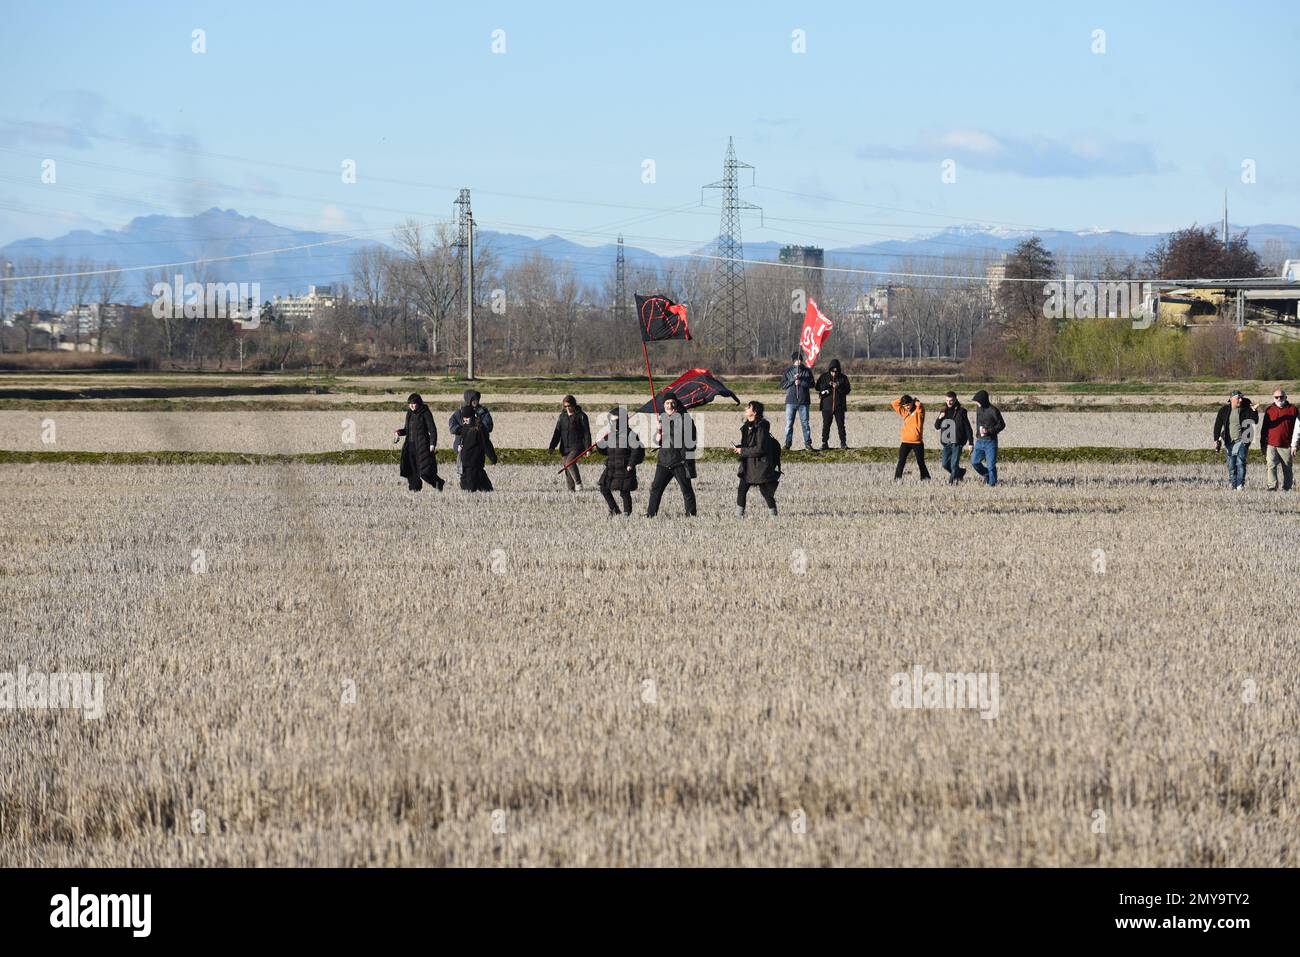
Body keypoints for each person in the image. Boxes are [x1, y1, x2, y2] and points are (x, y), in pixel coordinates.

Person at [646, 392, 698, 518]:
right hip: (663, 461)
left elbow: (692, 440)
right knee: (655, 490)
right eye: (667, 403)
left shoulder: (685, 419)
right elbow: (656, 440)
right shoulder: (662, 418)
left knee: (686, 490)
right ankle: (650, 514)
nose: (670, 405)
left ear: (676, 403)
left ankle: (691, 514)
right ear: (663, 405)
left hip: (679, 462)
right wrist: (659, 431)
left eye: (672, 403)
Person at [732, 400, 780, 518]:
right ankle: (738, 517)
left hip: (760, 466)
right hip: (748, 465)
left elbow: (760, 449)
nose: (745, 409)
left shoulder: (761, 428)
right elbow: (749, 445)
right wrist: (739, 448)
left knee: (766, 492)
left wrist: (742, 451)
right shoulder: (746, 427)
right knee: (742, 490)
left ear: (754, 412)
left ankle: (774, 517)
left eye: (748, 407)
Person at [596, 405, 645, 516]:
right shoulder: (610, 435)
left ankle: (627, 513)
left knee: (624, 492)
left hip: (625, 466)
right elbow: (605, 452)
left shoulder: (631, 435)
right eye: (611, 421)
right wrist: (600, 445)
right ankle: (614, 509)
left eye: (615, 421)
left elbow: (636, 451)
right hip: (611, 466)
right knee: (604, 488)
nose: (612, 423)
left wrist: (631, 464)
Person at [395, 393, 444, 492]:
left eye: (414, 404)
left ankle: (438, 483)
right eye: (410, 404)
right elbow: (407, 430)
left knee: (424, 471)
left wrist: (432, 444)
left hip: (422, 446)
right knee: (411, 470)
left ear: (419, 403)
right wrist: (399, 432)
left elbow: (432, 429)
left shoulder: (425, 412)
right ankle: (414, 489)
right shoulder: (409, 413)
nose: (411, 406)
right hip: (409, 446)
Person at [1213, 390, 1257, 491]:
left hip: (1243, 440)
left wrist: (1254, 411)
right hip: (1229, 441)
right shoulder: (1223, 410)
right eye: (1238, 398)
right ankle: (1233, 486)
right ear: (1231, 399)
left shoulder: (1246, 409)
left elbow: (1255, 421)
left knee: (1240, 462)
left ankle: (1240, 485)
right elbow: (1217, 425)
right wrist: (1216, 439)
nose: (1240, 400)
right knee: (1231, 465)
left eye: (1241, 398)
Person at [549, 394, 592, 492]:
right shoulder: (562, 416)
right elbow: (557, 433)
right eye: (565, 406)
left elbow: (586, 433)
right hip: (564, 447)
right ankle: (571, 490)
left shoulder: (581, 416)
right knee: (567, 469)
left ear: (574, 405)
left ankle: (578, 483)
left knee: (569, 463)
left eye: (569, 406)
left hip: (577, 446)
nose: (567, 408)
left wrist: (588, 448)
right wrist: (552, 446)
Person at [450, 388, 494, 477]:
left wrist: (478, 428)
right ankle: (467, 485)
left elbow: (489, 426)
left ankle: (480, 486)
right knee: (463, 468)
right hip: (462, 444)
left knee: (478, 467)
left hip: (478, 444)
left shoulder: (483, 412)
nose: (475, 401)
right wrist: (464, 429)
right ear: (468, 399)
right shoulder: (460, 412)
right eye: (473, 399)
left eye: (477, 399)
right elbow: (452, 427)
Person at [1259, 387, 1296, 491]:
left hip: (1286, 445)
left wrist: (1296, 444)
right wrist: (1262, 443)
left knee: (1287, 468)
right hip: (1271, 444)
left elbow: (1298, 428)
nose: (1279, 399)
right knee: (1270, 466)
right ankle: (1272, 486)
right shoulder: (1269, 410)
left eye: (1281, 397)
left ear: (1286, 397)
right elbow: (1264, 428)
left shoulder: (1293, 409)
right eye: (1276, 397)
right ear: (1273, 398)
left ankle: (1287, 488)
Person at [779, 352, 816, 451]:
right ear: (793, 361)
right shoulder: (788, 371)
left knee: (805, 424)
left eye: (800, 359)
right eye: (796, 360)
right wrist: (792, 380)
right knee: (789, 424)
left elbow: (812, 384)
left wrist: (802, 382)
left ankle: (808, 443)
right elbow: (782, 385)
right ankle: (787, 444)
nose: (798, 362)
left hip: (804, 402)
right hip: (791, 402)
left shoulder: (807, 371)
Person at [934, 390, 973, 483]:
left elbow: (968, 428)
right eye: (947, 400)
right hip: (946, 442)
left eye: (951, 400)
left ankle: (951, 483)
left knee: (954, 465)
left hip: (957, 442)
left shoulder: (962, 411)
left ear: (955, 399)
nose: (949, 402)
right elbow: (936, 426)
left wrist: (971, 443)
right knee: (945, 464)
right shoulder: (943, 411)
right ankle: (960, 473)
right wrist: (939, 418)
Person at [456, 403, 496, 492]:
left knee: (470, 486)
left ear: (472, 416)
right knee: (466, 483)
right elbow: (461, 440)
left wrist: (493, 457)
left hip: (475, 460)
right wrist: (458, 447)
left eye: (467, 418)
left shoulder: (479, 428)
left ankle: (486, 491)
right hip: (465, 461)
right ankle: (487, 490)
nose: (465, 420)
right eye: (464, 418)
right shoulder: (464, 428)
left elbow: (486, 444)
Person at [970, 389, 1006, 487]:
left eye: (977, 401)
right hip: (979, 441)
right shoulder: (978, 408)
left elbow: (1002, 425)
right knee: (974, 462)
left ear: (983, 400)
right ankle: (987, 475)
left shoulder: (993, 411)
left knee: (991, 466)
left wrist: (989, 431)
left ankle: (992, 484)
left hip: (991, 442)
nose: (976, 403)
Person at [890, 394, 929, 481]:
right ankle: (897, 479)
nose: (907, 407)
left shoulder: (919, 412)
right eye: (904, 406)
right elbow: (893, 403)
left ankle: (926, 478)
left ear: (912, 403)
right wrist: (902, 400)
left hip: (917, 442)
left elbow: (920, 405)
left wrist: (915, 401)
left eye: (908, 405)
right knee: (901, 461)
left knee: (920, 462)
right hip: (905, 442)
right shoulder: (904, 413)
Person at [816, 358, 851, 450]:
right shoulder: (824, 377)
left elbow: (847, 390)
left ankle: (843, 443)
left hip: (839, 406)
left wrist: (838, 386)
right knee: (826, 425)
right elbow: (817, 387)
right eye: (832, 371)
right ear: (829, 370)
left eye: (836, 372)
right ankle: (824, 443)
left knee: (841, 426)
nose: (834, 373)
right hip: (826, 407)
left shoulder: (843, 378)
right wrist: (828, 385)